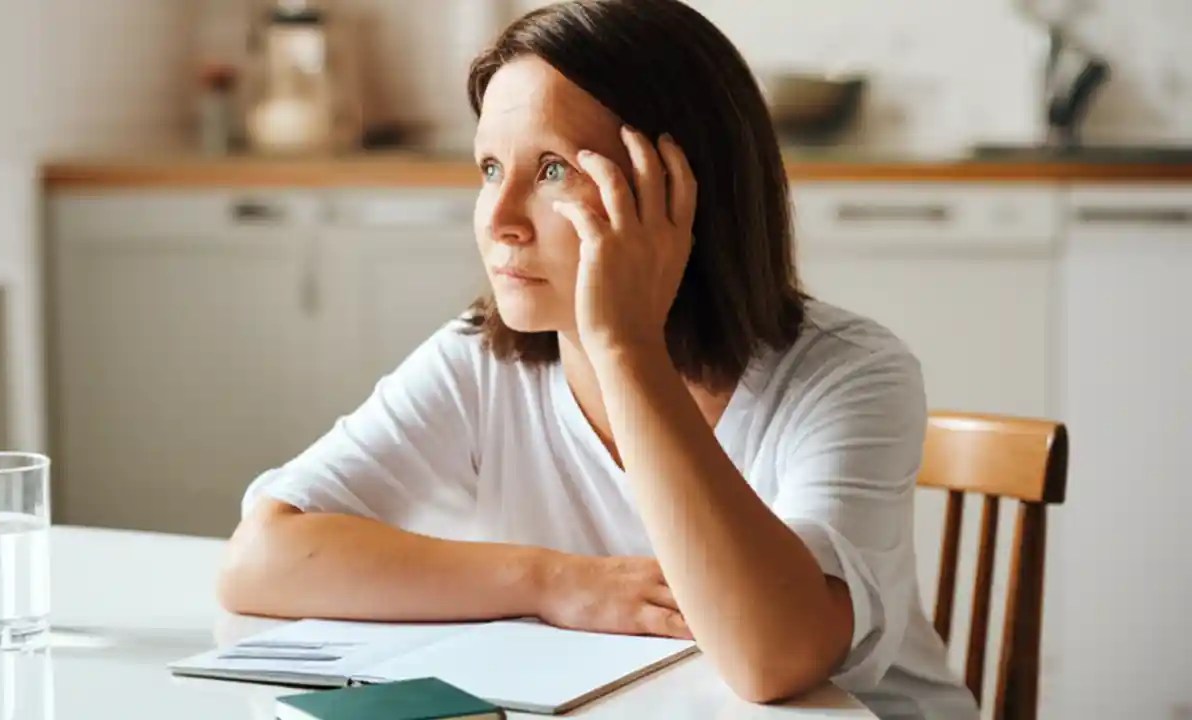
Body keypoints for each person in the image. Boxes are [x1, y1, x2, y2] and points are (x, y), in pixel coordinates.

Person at [218, 1, 978, 717]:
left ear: (682, 190)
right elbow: (261, 559)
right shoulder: (479, 362)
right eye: (489, 169)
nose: (501, 220)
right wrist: (553, 581)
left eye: (551, 170)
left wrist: (624, 344)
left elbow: (770, 658)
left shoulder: (851, 374)